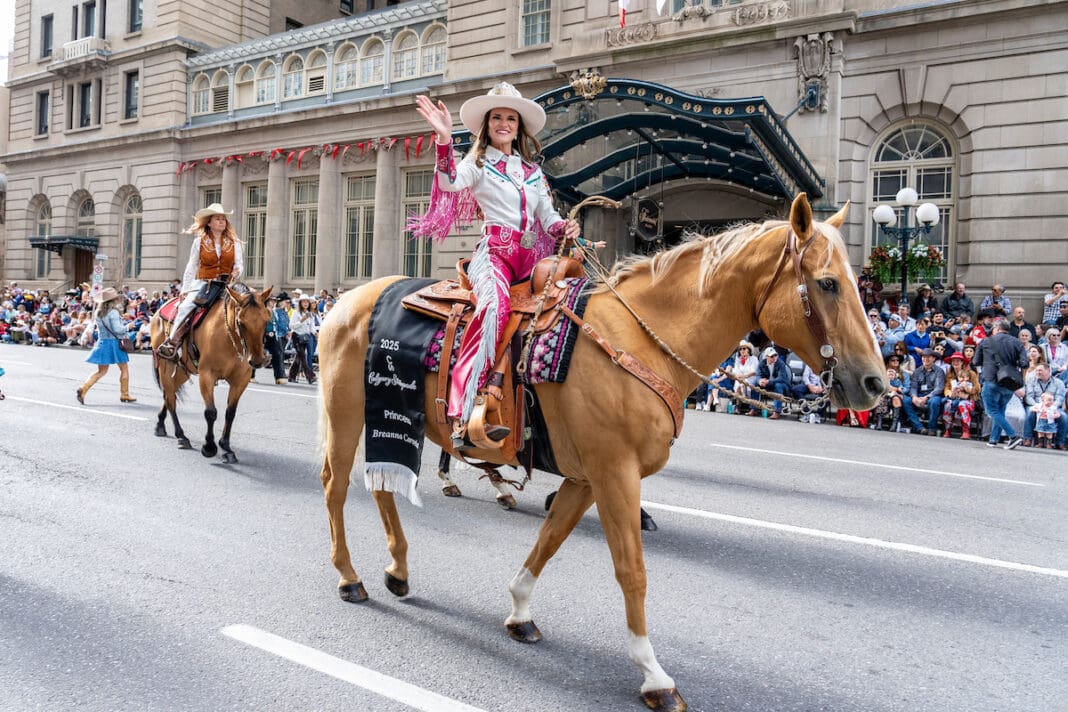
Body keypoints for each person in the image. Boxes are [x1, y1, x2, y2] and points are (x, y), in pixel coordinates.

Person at [412, 84, 586, 449]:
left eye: (510, 118)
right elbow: (448, 182)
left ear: (519, 127)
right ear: (487, 125)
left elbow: (548, 218)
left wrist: (565, 228)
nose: (504, 123)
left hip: (532, 260)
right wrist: (444, 139)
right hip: (494, 254)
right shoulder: (477, 164)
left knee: (569, 307)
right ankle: (462, 412)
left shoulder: (532, 172)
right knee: (494, 308)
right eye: (497, 118)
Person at [157, 203, 244, 361]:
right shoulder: (199, 242)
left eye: (223, 219)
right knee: (186, 307)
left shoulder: (234, 242)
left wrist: (237, 272)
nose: (221, 222)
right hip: (204, 284)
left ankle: (247, 347)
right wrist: (185, 289)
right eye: (217, 219)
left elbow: (239, 264)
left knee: (247, 309)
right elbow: (192, 266)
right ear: (209, 223)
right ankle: (173, 342)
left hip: (226, 285)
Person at [972, 317, 1028, 449]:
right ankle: (993, 439)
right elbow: (1025, 363)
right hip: (1009, 382)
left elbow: (975, 362)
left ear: (996, 328)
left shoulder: (986, 341)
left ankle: (1013, 436)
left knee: (992, 411)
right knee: (1000, 410)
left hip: (992, 379)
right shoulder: (1017, 342)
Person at [76, 287, 137, 404]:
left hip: (103, 342)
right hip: (115, 344)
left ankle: (83, 389)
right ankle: (125, 394)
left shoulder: (98, 313)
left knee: (101, 371)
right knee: (124, 369)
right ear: (113, 300)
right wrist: (128, 327)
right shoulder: (113, 312)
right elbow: (118, 329)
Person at [1021, 363, 1067, 449]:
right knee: (1029, 413)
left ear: (1048, 371)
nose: (1038, 372)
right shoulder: (1031, 381)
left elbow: (1060, 398)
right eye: (1037, 370)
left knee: (1064, 417)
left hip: (1052, 407)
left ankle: (1060, 442)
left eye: (1040, 370)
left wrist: (1051, 407)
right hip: (1035, 405)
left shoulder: (1058, 383)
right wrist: (1038, 406)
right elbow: (1028, 396)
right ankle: (1027, 439)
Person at [902, 348, 946, 435]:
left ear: (934, 358)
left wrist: (927, 397)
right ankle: (919, 427)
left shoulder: (939, 371)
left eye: (928, 357)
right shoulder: (917, 371)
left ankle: (932, 428)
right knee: (906, 400)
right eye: (923, 357)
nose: (925, 359)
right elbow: (913, 386)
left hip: (933, 395)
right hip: (919, 394)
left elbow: (939, 388)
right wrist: (914, 397)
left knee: (934, 402)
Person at [940, 352, 979, 438]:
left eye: (958, 361)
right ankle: (948, 429)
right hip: (954, 398)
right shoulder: (950, 374)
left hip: (969, 399)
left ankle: (966, 430)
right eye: (953, 361)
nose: (955, 363)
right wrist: (950, 394)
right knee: (948, 405)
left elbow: (977, 388)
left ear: (962, 363)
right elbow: (947, 388)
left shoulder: (971, 373)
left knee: (962, 404)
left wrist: (966, 390)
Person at [288, 295, 317, 385]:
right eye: (303, 302)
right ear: (300, 303)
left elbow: (311, 326)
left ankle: (291, 376)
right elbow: (292, 326)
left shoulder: (310, 313)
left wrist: (315, 333)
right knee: (303, 357)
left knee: (299, 357)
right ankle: (310, 376)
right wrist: (302, 320)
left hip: (305, 338)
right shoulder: (296, 313)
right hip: (297, 337)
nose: (305, 303)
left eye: (307, 302)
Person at [755, 346, 792, 419]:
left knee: (777, 386)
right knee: (755, 384)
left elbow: (781, 378)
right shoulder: (761, 364)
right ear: (766, 357)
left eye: (775, 355)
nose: (774, 357)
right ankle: (754, 408)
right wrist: (760, 381)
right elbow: (758, 375)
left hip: (783, 385)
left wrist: (768, 381)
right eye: (772, 356)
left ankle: (777, 411)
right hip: (769, 384)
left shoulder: (780, 363)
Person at [726, 340, 759, 414]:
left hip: (750, 379)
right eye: (740, 349)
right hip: (740, 379)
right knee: (738, 385)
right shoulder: (738, 359)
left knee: (742, 384)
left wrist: (744, 376)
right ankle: (738, 407)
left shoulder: (754, 359)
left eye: (744, 348)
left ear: (748, 350)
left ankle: (746, 404)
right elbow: (736, 371)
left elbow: (754, 372)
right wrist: (737, 376)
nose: (742, 350)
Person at [263, 295, 287, 385]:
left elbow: (276, 323)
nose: (273, 302)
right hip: (263, 335)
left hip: (273, 335)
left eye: (274, 301)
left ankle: (279, 376)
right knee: (258, 354)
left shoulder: (273, 312)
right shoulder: (262, 311)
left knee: (277, 354)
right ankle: (251, 375)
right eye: (271, 301)